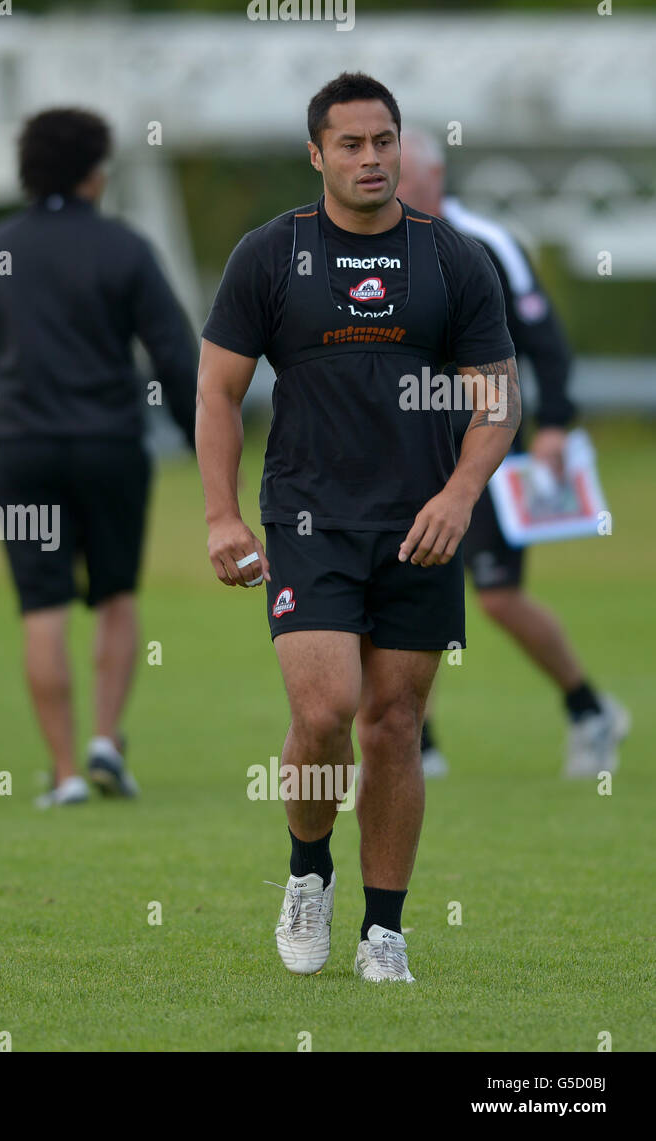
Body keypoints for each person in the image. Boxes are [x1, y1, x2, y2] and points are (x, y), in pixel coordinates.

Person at [196, 73, 520, 982]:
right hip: (309, 519)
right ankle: (307, 873)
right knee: (326, 710)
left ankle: (386, 931)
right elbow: (218, 390)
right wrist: (221, 512)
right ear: (317, 154)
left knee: (394, 722)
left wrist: (460, 492)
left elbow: (497, 397)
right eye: (351, 144)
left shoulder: (451, 258)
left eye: (384, 141)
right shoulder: (270, 254)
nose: (371, 158)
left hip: (421, 523)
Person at [0, 108, 197, 808]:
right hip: (112, 444)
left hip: (23, 446)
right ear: (94, 171)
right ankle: (107, 740)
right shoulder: (125, 247)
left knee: (42, 603)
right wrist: (203, 440)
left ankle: (65, 774)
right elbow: (174, 352)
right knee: (116, 592)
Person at [396, 130, 629, 780]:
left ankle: (589, 708)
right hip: (411, 446)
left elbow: (544, 339)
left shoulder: (486, 244)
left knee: (497, 596)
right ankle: (419, 742)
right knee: (408, 585)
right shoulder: (381, 247)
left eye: (400, 174)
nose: (384, 183)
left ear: (434, 177)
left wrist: (555, 421)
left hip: (487, 449)